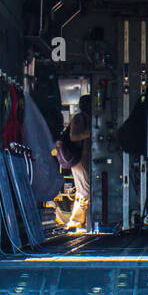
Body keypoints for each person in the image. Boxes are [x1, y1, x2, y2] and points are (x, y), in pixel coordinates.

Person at [56, 95, 92, 232]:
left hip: (83, 158)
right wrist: (89, 133)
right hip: (78, 158)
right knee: (84, 190)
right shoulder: (80, 118)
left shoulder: (87, 118)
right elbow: (73, 136)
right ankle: (76, 221)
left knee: (84, 189)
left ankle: (78, 221)